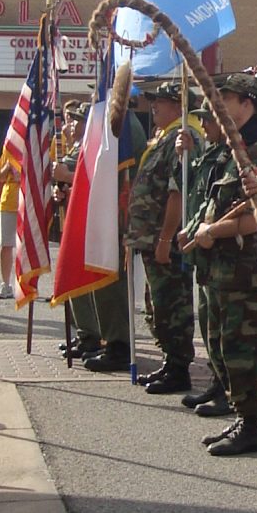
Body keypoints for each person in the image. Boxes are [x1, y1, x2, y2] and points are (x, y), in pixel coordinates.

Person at [178, 73, 257, 456]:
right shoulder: (229, 150)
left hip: (243, 269)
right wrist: (195, 230)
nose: (218, 106)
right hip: (219, 268)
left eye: (226, 99)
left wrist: (213, 232)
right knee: (223, 345)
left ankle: (251, 424)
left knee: (242, 348)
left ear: (247, 103)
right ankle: (240, 416)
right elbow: (214, 202)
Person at [63, 87, 150, 372]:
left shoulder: (124, 125)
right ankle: (97, 336)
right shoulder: (112, 122)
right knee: (96, 277)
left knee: (110, 282)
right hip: (104, 212)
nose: (94, 99)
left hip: (116, 214)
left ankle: (118, 344)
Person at [126, 80, 201, 389]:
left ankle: (179, 368)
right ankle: (170, 362)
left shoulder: (184, 137)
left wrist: (165, 239)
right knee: (157, 303)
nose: (154, 105)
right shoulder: (163, 137)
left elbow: (177, 193)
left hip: (165, 240)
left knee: (172, 305)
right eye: (153, 100)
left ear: (179, 106)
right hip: (151, 236)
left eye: (162, 101)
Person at [0, 137, 19, 298]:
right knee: (6, 244)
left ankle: (27, 284)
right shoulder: (9, 147)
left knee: (29, 245)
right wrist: (8, 167)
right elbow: (0, 176)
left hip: (28, 199)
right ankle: (6, 284)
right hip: (8, 200)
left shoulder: (36, 144)